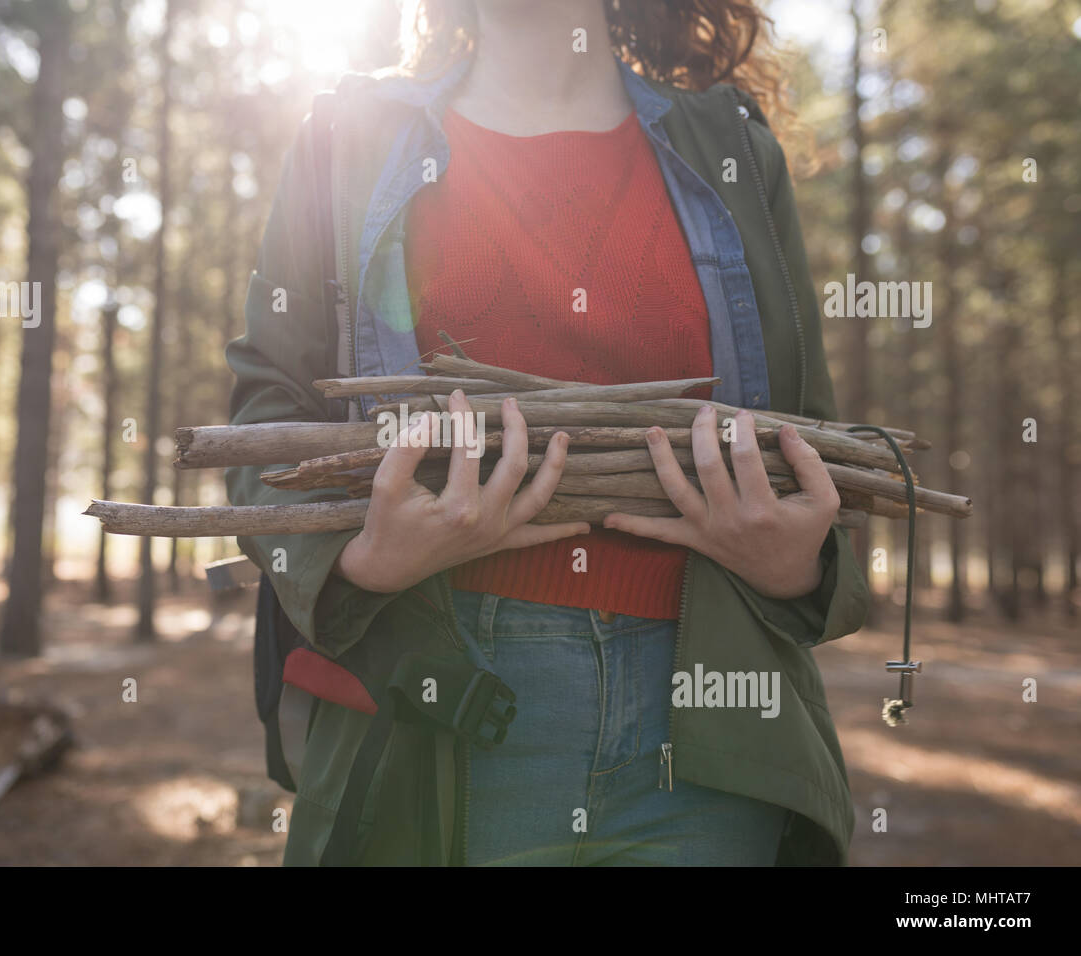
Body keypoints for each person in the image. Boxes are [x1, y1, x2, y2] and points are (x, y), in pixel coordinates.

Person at [225, 0, 870, 866]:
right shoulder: (350, 135)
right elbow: (267, 402)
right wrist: (356, 564)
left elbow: (813, 443)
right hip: (437, 716)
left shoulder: (735, 148)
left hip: (715, 733)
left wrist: (800, 563)